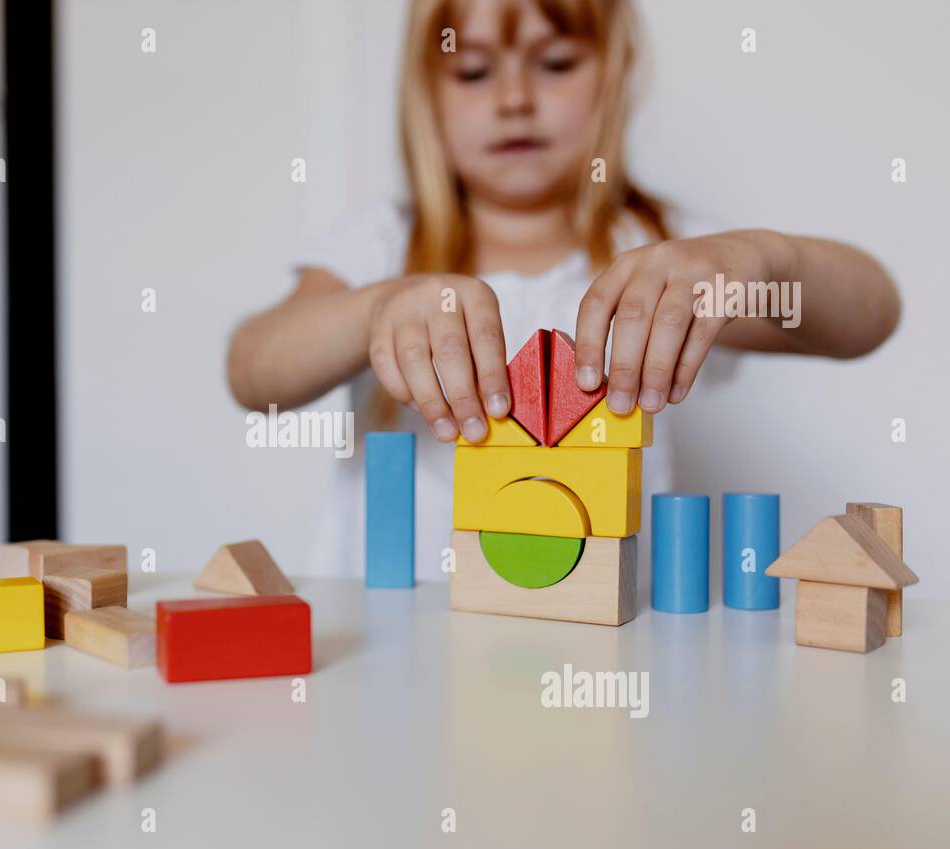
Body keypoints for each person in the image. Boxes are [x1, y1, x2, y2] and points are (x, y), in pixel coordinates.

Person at [226, 0, 900, 579]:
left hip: (610, 649)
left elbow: (870, 314)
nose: (514, 99)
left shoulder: (664, 252)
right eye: (473, 70)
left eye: (554, 64)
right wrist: (375, 310)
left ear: (615, 71)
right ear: (425, 92)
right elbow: (255, 375)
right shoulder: (383, 245)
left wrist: (764, 258)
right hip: (393, 645)